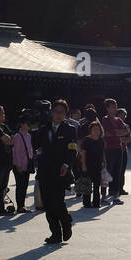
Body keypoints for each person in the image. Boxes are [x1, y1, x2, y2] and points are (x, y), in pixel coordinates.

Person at [35, 99, 78, 244]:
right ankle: (55, 233)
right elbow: (35, 145)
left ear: (66, 114)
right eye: (56, 112)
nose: (58, 115)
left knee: (57, 202)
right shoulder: (43, 128)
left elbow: (72, 150)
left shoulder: (70, 129)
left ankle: (66, 221)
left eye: (62, 113)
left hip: (61, 171)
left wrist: (67, 164)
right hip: (45, 170)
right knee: (47, 203)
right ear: (52, 113)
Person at [100, 99, 130, 201]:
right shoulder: (104, 119)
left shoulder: (118, 120)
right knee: (107, 171)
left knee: (117, 171)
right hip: (108, 149)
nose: (114, 108)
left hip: (119, 148)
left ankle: (115, 193)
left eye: (115, 106)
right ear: (107, 108)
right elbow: (106, 133)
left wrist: (114, 132)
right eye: (112, 106)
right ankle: (103, 194)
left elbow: (126, 131)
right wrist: (117, 132)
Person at [79, 120, 104, 208]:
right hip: (88, 165)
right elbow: (83, 153)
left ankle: (96, 202)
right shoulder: (86, 140)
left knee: (97, 185)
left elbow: (103, 153)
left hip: (98, 166)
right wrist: (83, 165)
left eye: (98, 129)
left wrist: (104, 163)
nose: (96, 131)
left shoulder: (101, 140)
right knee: (87, 184)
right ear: (90, 130)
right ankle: (87, 203)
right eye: (94, 129)